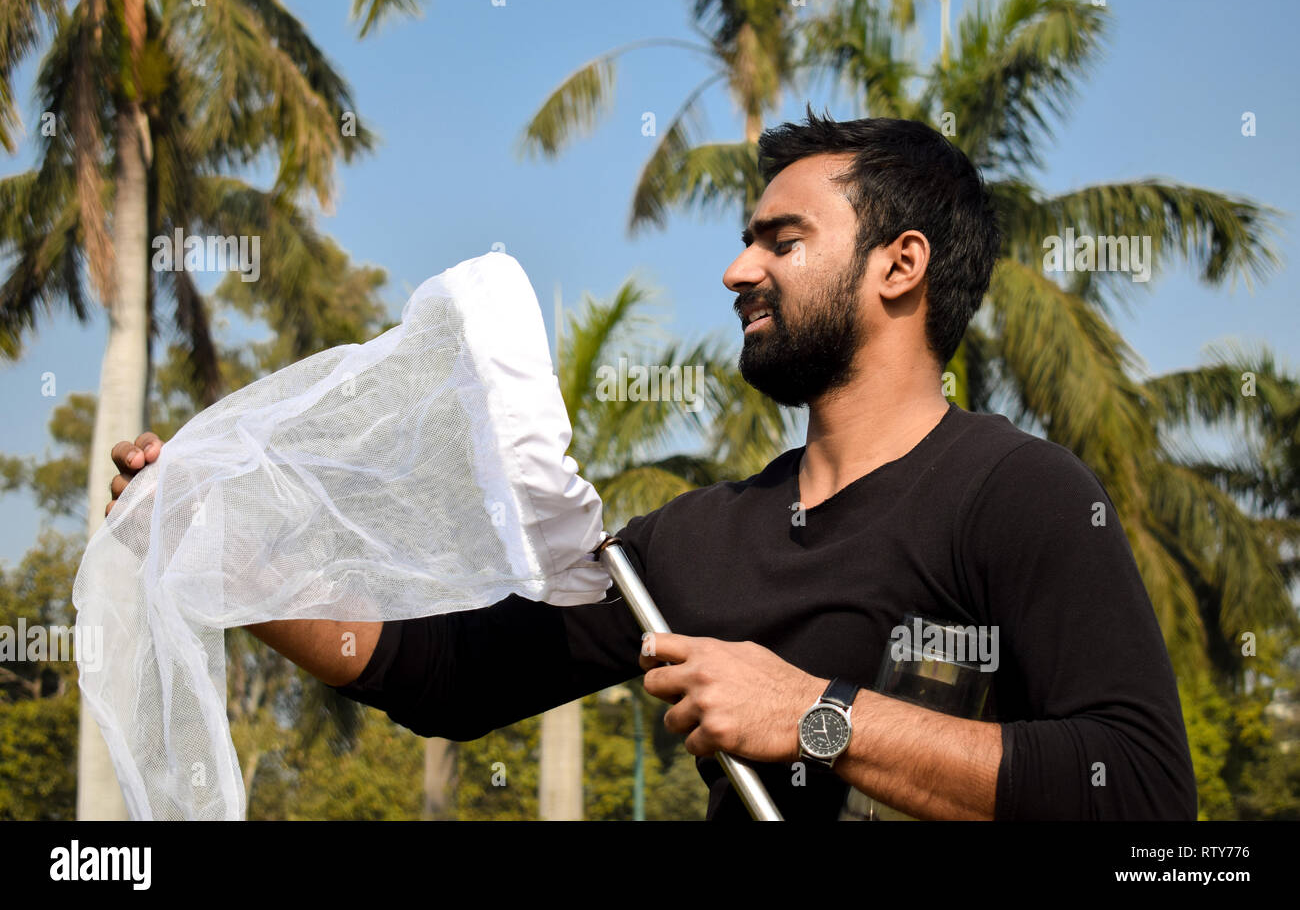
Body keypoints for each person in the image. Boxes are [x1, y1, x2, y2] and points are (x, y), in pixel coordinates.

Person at [106, 109, 1198, 821]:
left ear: (899, 264)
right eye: (744, 238)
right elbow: (448, 677)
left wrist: (814, 713)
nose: (735, 268)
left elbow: (1142, 789)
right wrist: (224, 561)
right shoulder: (688, 544)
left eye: (781, 238)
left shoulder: (1023, 497)